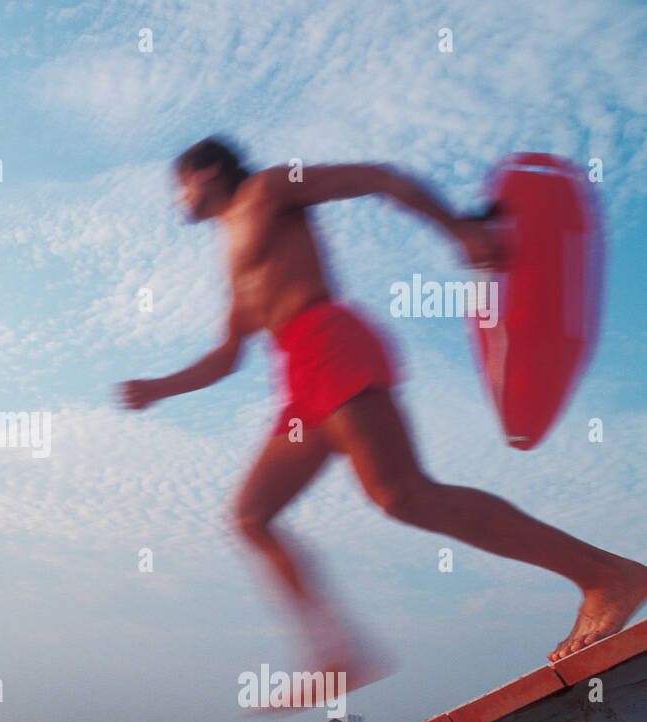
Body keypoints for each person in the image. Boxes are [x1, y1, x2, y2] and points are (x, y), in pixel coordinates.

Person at [116, 137, 647, 690]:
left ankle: (607, 576)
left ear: (205, 171)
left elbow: (377, 177)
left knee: (404, 495)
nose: (179, 197)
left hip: (331, 343)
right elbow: (227, 357)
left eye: (180, 183)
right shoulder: (234, 253)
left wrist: (456, 227)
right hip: (299, 376)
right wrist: (159, 388)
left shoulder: (268, 190)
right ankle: (337, 653)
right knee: (253, 515)